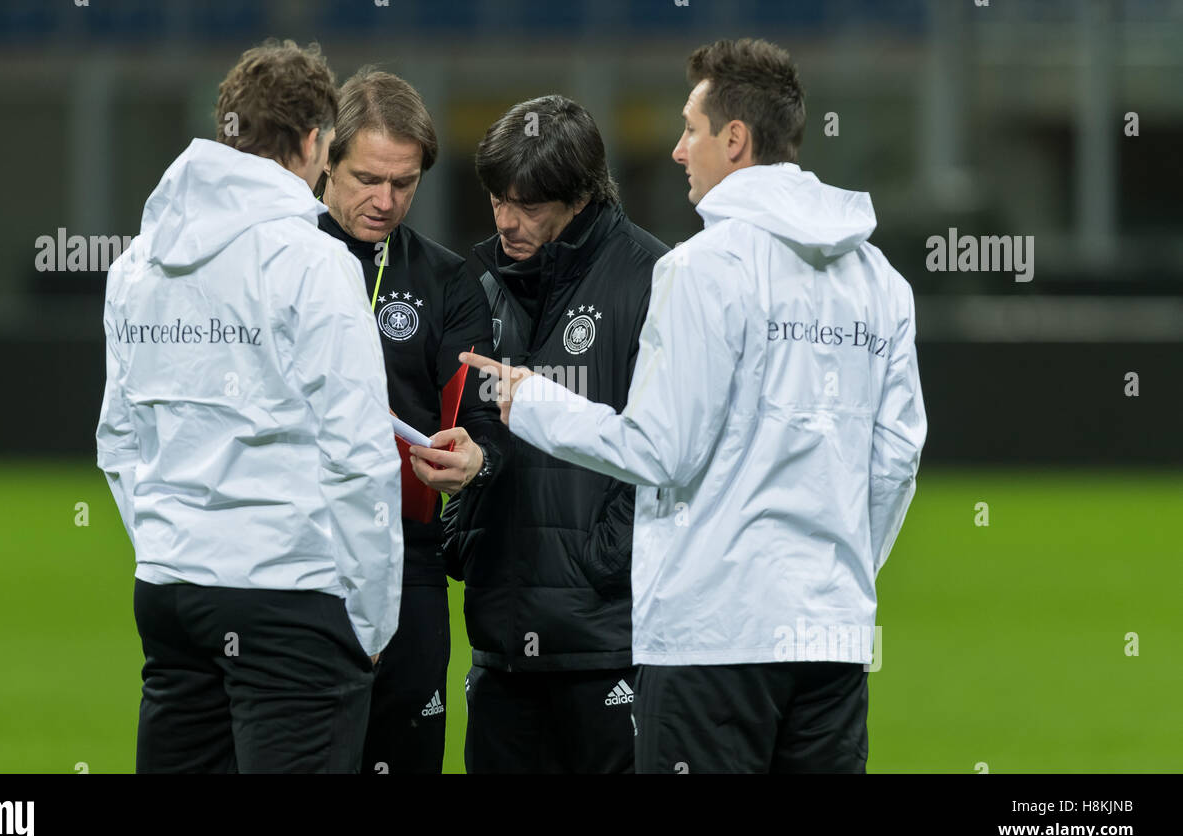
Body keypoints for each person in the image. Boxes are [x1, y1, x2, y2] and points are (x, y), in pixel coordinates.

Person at [461, 38, 928, 773]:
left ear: (734, 140)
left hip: (713, 641)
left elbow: (658, 449)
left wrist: (530, 402)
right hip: (831, 638)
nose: (679, 151)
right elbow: (896, 462)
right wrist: (833, 576)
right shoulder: (881, 281)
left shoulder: (702, 268)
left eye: (691, 129)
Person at [96, 39, 402, 774]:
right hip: (288, 598)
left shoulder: (137, 263)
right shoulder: (314, 263)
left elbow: (118, 441)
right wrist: (371, 615)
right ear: (312, 141)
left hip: (172, 597)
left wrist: (170, 549)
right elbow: (359, 455)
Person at [441, 95, 669, 773]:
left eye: (529, 204)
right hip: (499, 639)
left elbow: (671, 444)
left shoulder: (654, 280)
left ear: (579, 197)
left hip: (606, 643)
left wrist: (605, 560)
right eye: (496, 200)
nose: (508, 220)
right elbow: (463, 425)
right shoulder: (477, 284)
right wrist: (465, 527)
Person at [316, 67, 505, 774]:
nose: (386, 200)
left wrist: (476, 458)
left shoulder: (448, 279)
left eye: (404, 183)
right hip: (297, 558)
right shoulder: (275, 267)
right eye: (367, 178)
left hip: (409, 561)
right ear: (324, 160)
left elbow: (482, 418)